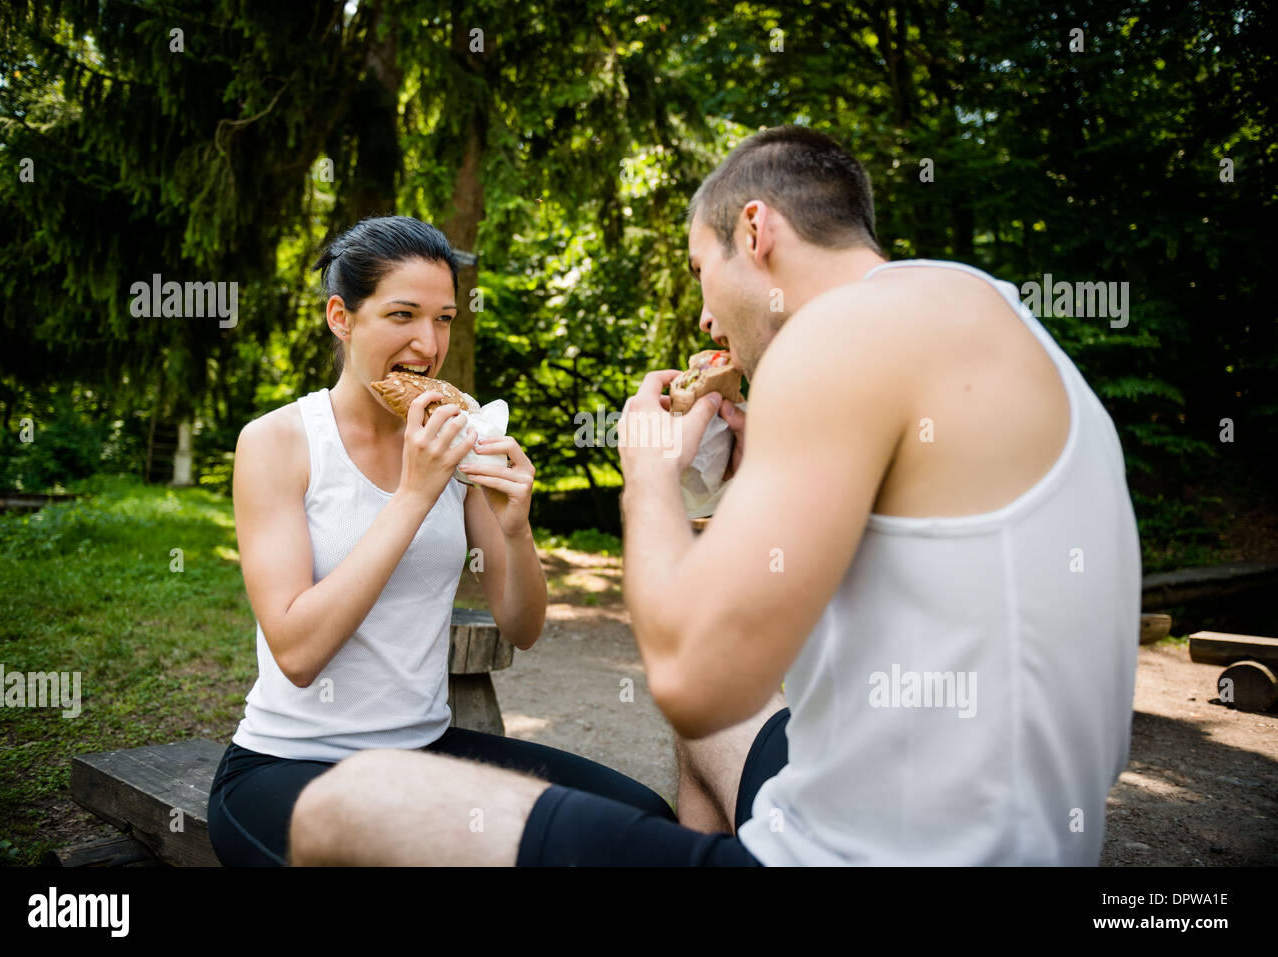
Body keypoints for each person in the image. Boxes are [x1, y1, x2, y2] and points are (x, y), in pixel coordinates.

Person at [286, 127, 1139, 866]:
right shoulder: (985, 315)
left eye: (701, 267)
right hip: (1030, 842)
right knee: (712, 738)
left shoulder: (834, 332)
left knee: (340, 804)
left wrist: (649, 475)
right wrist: (739, 473)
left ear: (756, 231)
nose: (702, 317)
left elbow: (693, 673)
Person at [207, 215, 674, 867]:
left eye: (445, 318)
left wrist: (514, 525)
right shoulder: (278, 442)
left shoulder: (460, 429)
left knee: (644, 820)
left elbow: (523, 626)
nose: (428, 344)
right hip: (289, 766)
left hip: (425, 751)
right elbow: (298, 651)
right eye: (403, 314)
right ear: (341, 317)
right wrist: (415, 495)